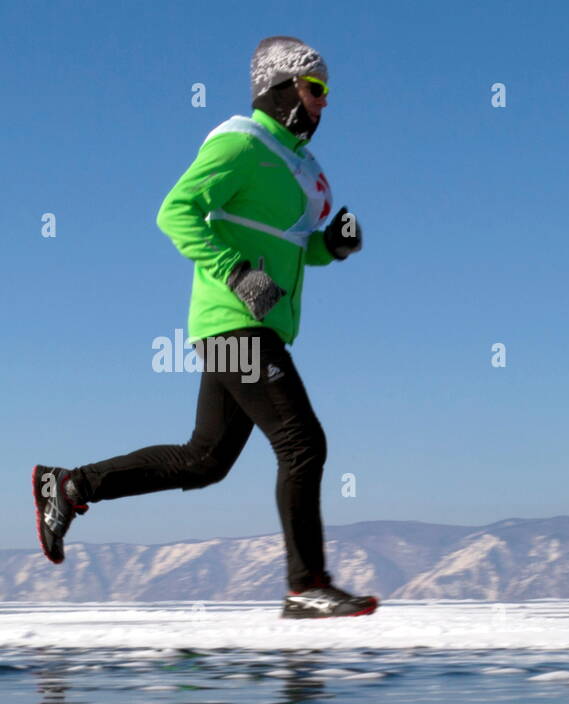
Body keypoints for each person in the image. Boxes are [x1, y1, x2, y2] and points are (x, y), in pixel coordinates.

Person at [32, 36, 378, 619]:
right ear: (281, 87)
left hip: (259, 326)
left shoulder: (301, 167)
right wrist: (237, 271)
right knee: (302, 442)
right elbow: (175, 211)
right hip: (234, 325)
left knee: (205, 460)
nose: (323, 104)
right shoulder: (241, 143)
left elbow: (297, 252)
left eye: (327, 93)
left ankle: (70, 486)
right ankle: (305, 584)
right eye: (315, 89)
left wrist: (331, 247)